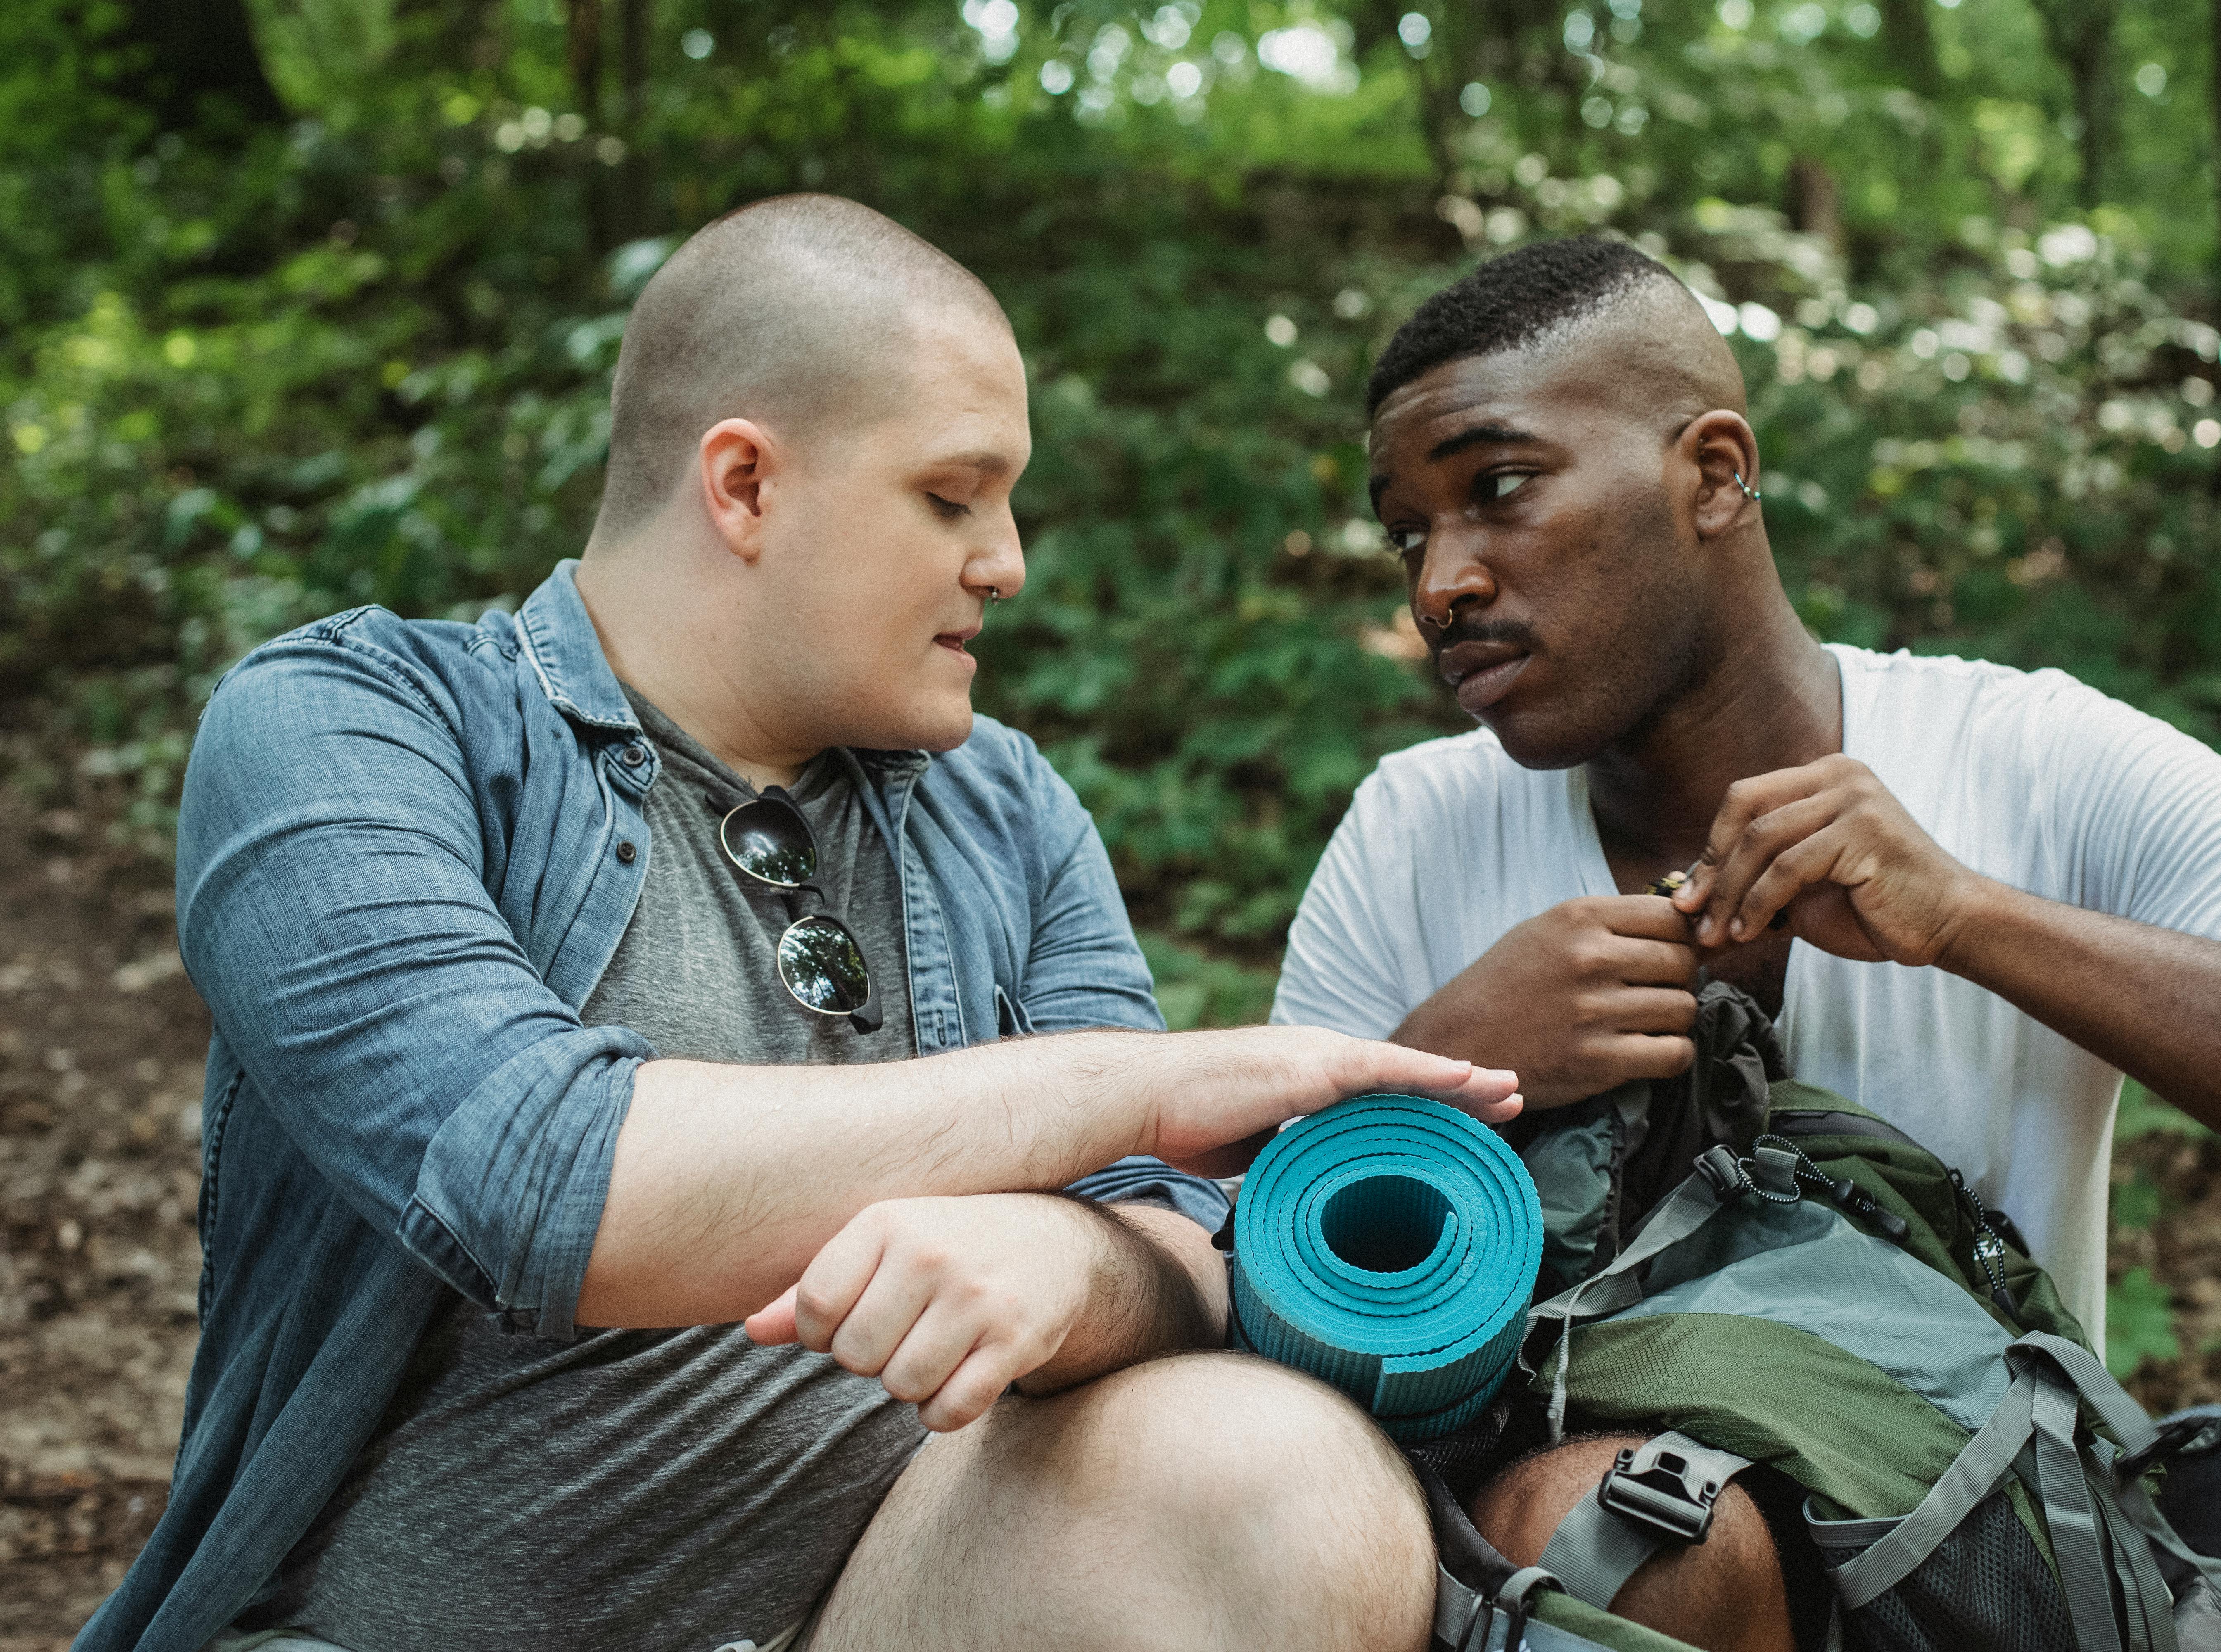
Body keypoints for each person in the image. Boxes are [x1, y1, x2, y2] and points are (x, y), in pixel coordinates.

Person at [83, 195, 1528, 1652]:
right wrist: (1129, 1088)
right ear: (746, 487)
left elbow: (1174, 1246)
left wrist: (1079, 1268)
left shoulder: (1007, 803)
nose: (1007, 562)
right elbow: (540, 1176)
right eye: (953, 497)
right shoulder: (358, 725)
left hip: (880, 1602)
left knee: (1275, 1479)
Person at [1273, 235, 2221, 1645]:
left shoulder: (2029, 762)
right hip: (1543, 1574)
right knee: (1622, 1536)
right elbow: (1244, 1307)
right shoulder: (1414, 830)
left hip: (1994, 1560)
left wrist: (1975, 921)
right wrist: (1439, 1069)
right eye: (1409, 534)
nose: (1441, 588)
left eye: (1499, 490)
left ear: (1714, 474)